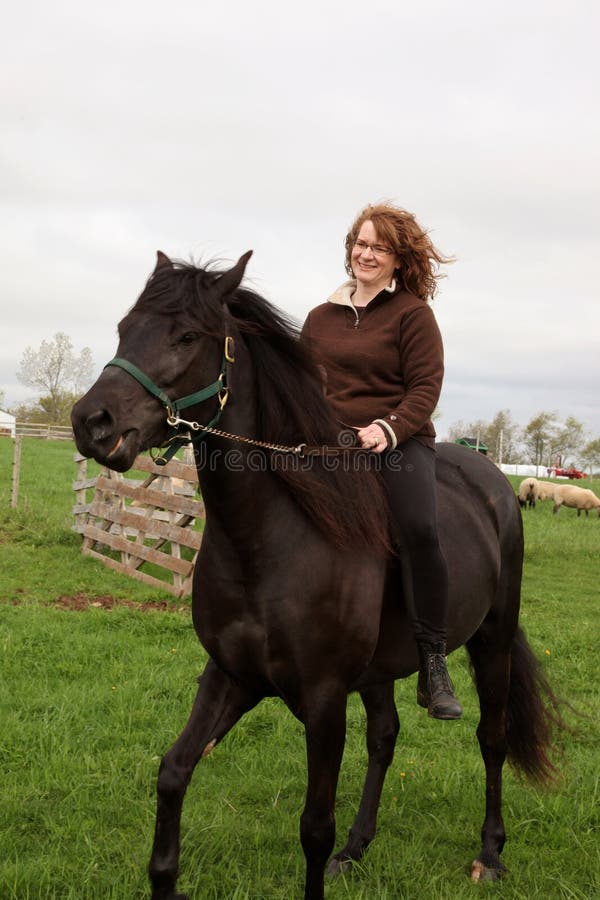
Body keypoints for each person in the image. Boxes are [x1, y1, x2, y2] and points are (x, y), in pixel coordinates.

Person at [301, 202, 462, 719]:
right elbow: (302, 386)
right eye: (361, 243)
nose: (366, 254)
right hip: (331, 445)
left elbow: (425, 388)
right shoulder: (319, 318)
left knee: (418, 528)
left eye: (379, 247)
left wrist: (386, 429)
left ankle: (433, 660)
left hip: (399, 442)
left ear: (398, 258)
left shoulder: (413, 314)